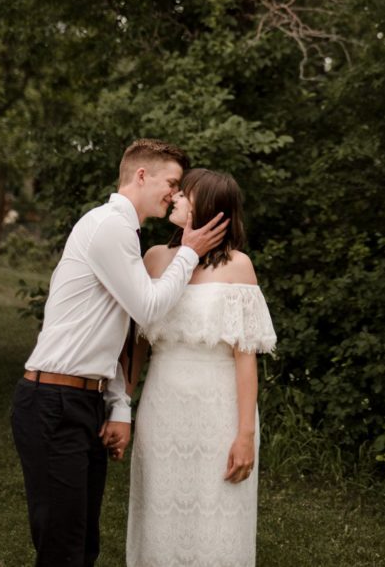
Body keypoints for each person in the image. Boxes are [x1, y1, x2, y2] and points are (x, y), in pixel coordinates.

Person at [11, 139, 229, 567]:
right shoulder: (108, 226)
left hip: (81, 401)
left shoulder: (124, 233)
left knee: (82, 544)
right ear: (141, 175)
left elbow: (111, 337)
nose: (174, 192)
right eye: (171, 182)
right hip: (54, 403)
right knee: (63, 549)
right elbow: (147, 309)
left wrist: (117, 408)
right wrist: (190, 253)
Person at [126, 167, 276, 567]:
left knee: (217, 518)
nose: (174, 197)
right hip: (163, 406)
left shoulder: (239, 267)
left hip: (219, 412)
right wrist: (120, 406)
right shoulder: (155, 258)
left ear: (208, 206)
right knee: (159, 509)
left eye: (185, 194)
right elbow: (138, 344)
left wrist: (245, 435)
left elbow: (245, 360)